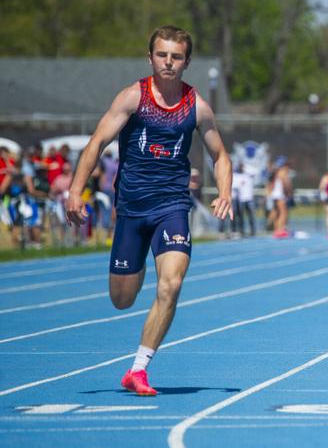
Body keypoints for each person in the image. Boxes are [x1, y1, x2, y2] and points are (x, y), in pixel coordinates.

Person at [65, 25, 233, 395]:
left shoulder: (197, 106)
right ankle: (137, 262)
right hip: (132, 209)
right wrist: (75, 191)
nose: (168, 63)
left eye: (176, 57)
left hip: (172, 206)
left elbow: (219, 155)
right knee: (122, 299)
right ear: (151, 57)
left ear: (186, 61)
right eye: (162, 55)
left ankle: (138, 369)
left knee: (171, 285)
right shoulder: (132, 98)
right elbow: (97, 142)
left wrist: (225, 192)